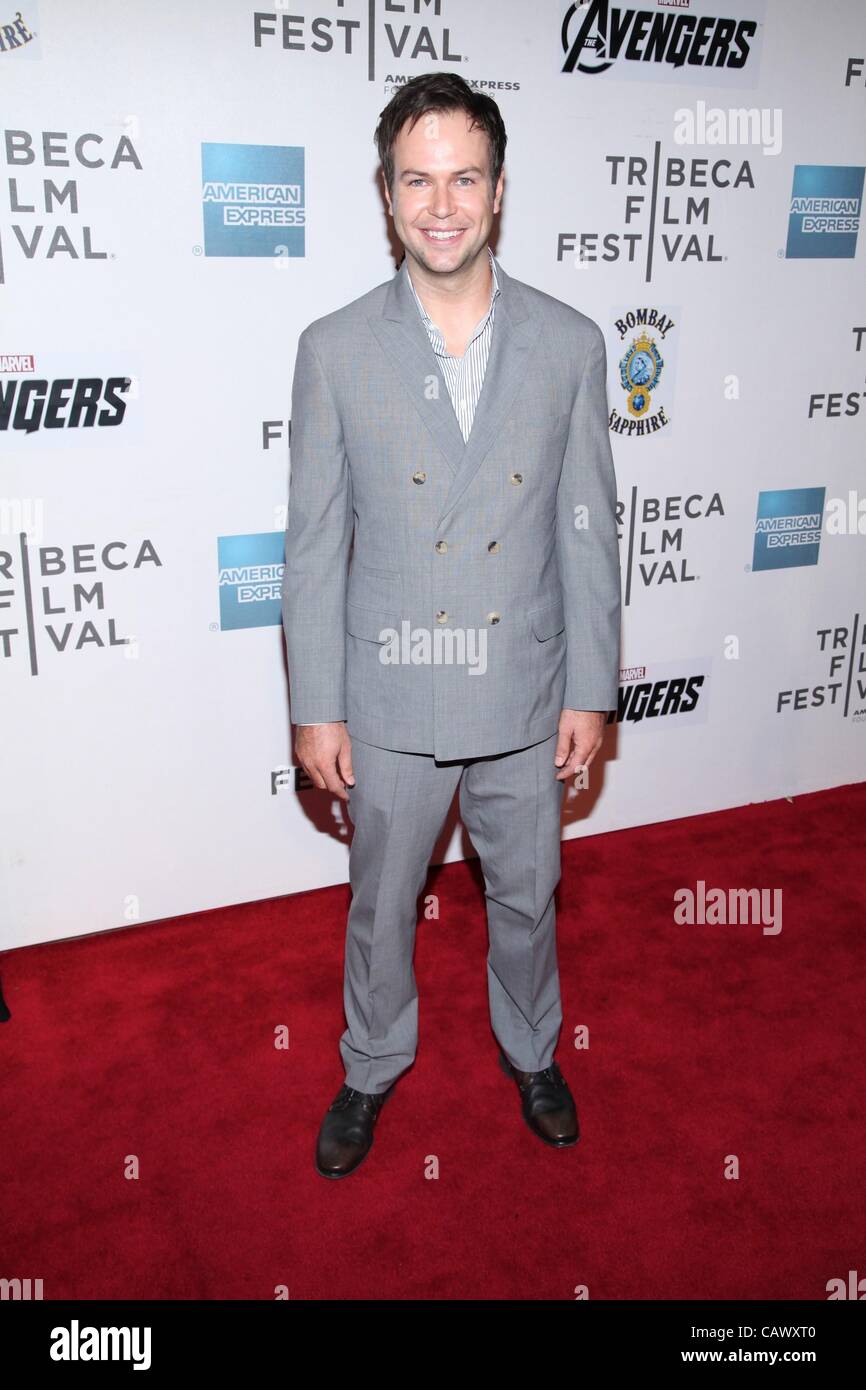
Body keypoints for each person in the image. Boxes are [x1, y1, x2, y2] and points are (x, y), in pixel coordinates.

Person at [281, 72, 621, 1179]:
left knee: (526, 893)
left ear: (499, 190)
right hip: (385, 694)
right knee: (380, 903)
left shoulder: (568, 344)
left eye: (463, 177)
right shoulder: (333, 348)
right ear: (386, 196)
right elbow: (314, 543)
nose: (441, 203)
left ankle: (531, 1048)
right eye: (416, 179)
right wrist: (316, 706)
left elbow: (585, 527)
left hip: (523, 691)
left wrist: (590, 687)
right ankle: (371, 1060)